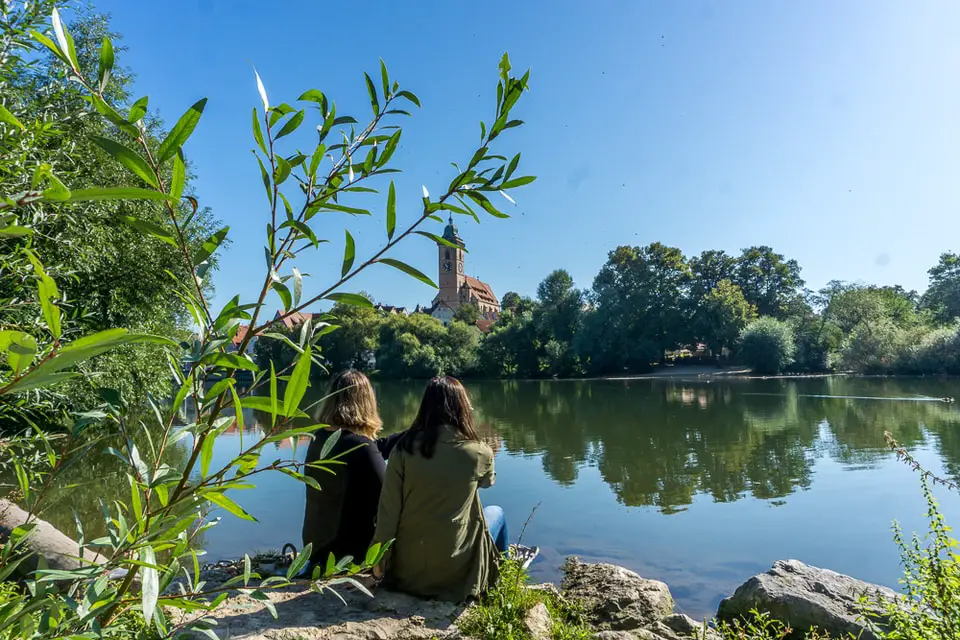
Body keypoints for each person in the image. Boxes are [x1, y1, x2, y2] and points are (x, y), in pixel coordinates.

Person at [372, 376, 508, 602]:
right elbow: (487, 482)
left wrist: (377, 569)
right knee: (497, 513)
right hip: (455, 575)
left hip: (408, 574)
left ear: (425, 408)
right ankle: (503, 577)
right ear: (463, 407)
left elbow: (388, 513)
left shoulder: (403, 449)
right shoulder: (479, 452)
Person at [301, 370, 387, 568]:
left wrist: (409, 434)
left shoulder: (319, 438)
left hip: (317, 551)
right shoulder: (361, 448)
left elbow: (372, 449)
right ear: (366, 402)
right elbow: (389, 496)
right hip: (347, 555)